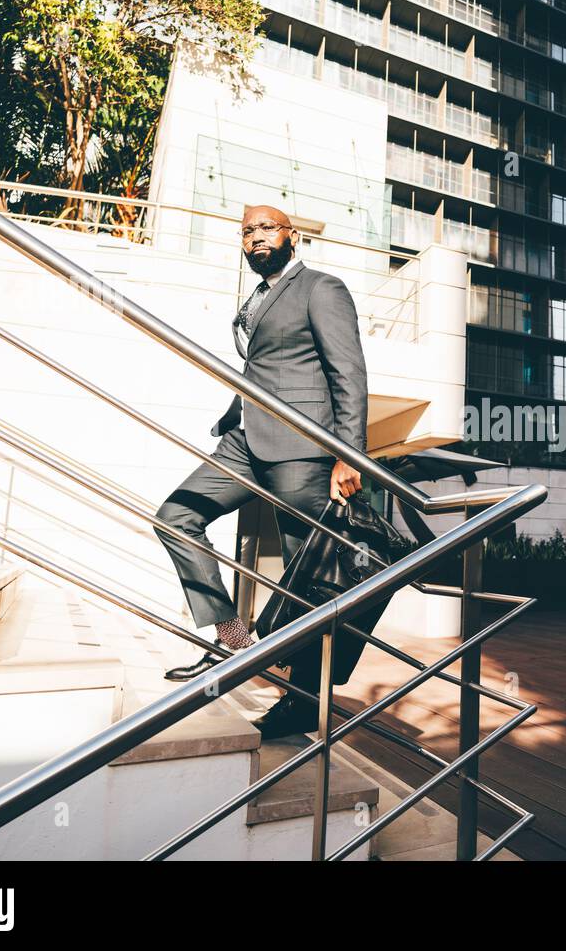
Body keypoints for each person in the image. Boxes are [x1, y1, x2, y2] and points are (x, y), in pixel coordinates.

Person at [154, 204, 367, 738]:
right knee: (175, 516)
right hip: (245, 439)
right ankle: (233, 640)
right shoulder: (257, 297)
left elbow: (349, 373)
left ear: (293, 235)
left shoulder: (321, 288)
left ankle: (302, 702)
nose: (255, 237)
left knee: (309, 577)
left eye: (267, 227)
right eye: (247, 231)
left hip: (301, 448)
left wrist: (348, 454)